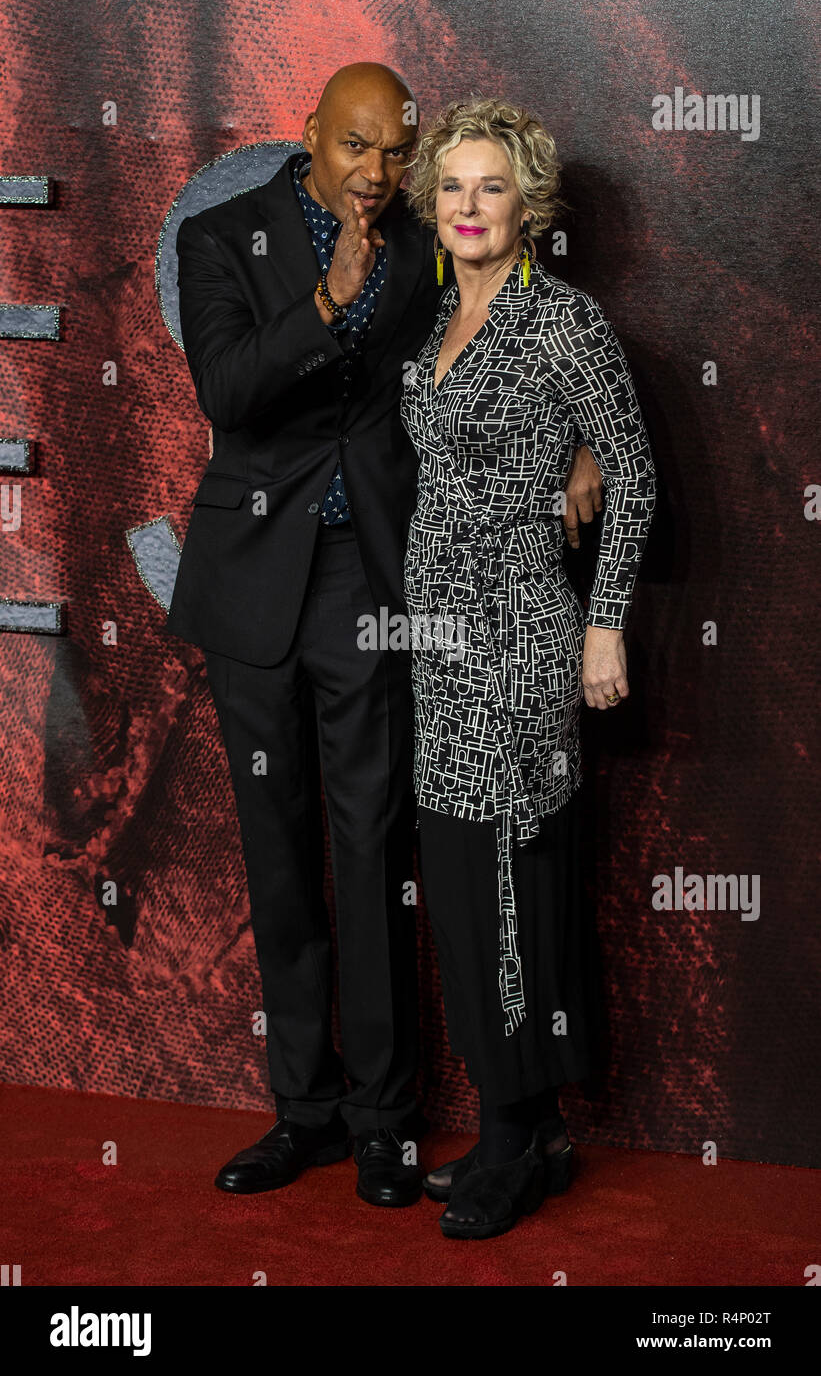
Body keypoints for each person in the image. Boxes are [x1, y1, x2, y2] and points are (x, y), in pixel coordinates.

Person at [166, 64, 602, 1208]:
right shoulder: (223, 235)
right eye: (357, 146)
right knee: (279, 849)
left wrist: (578, 443)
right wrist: (324, 299)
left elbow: (496, 339)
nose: (376, 170)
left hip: (376, 581)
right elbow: (226, 391)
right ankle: (301, 1110)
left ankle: (382, 1120)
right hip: (257, 582)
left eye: (394, 150)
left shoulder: (419, 240)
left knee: (373, 851)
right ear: (309, 134)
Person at [400, 97, 656, 1238]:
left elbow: (635, 474)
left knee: (506, 875)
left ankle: (512, 1134)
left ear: (528, 204)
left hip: (519, 634)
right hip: (438, 642)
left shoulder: (562, 321)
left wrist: (603, 624)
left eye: (488, 186)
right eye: (450, 186)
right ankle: (533, 1129)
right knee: (465, 880)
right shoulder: (435, 313)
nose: (466, 206)